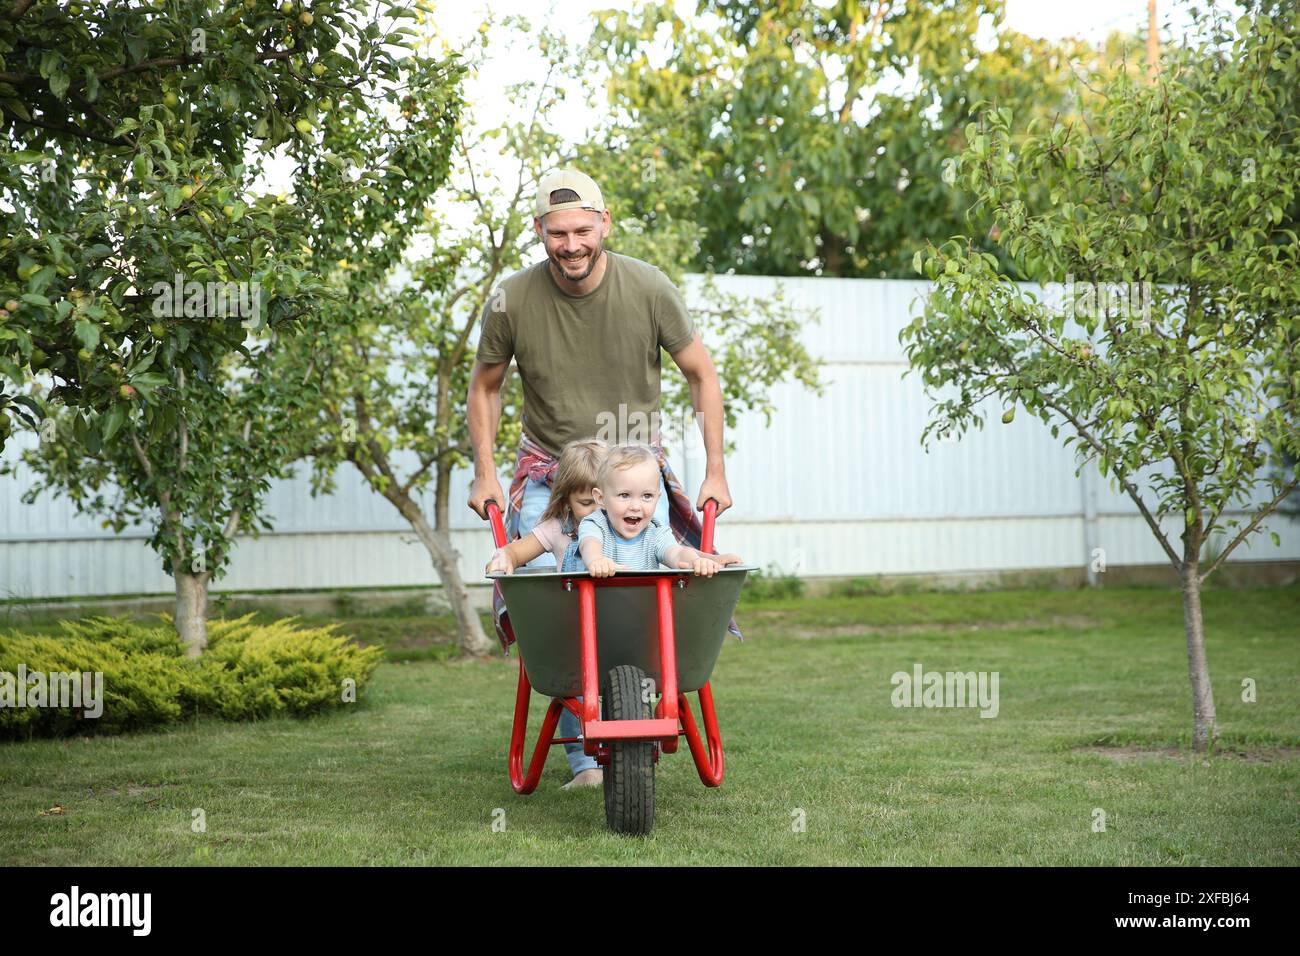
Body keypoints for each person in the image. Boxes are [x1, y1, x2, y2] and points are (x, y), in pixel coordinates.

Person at [467, 167, 742, 789]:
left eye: (582, 231)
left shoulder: (648, 287)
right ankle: (583, 755)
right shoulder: (513, 297)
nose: (570, 245)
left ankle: (637, 698)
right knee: (544, 580)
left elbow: (701, 373)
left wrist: (715, 470)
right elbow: (485, 386)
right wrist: (486, 473)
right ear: (539, 230)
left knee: (653, 574)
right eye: (556, 232)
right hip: (555, 470)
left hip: (630, 467)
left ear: (604, 224)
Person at [578, 443, 742, 579]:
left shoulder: (655, 533)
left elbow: (677, 554)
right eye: (624, 495)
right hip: (596, 609)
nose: (636, 506)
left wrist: (695, 562)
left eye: (647, 496)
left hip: (643, 610)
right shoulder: (595, 525)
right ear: (600, 498)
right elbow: (589, 545)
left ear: (658, 498)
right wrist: (597, 560)